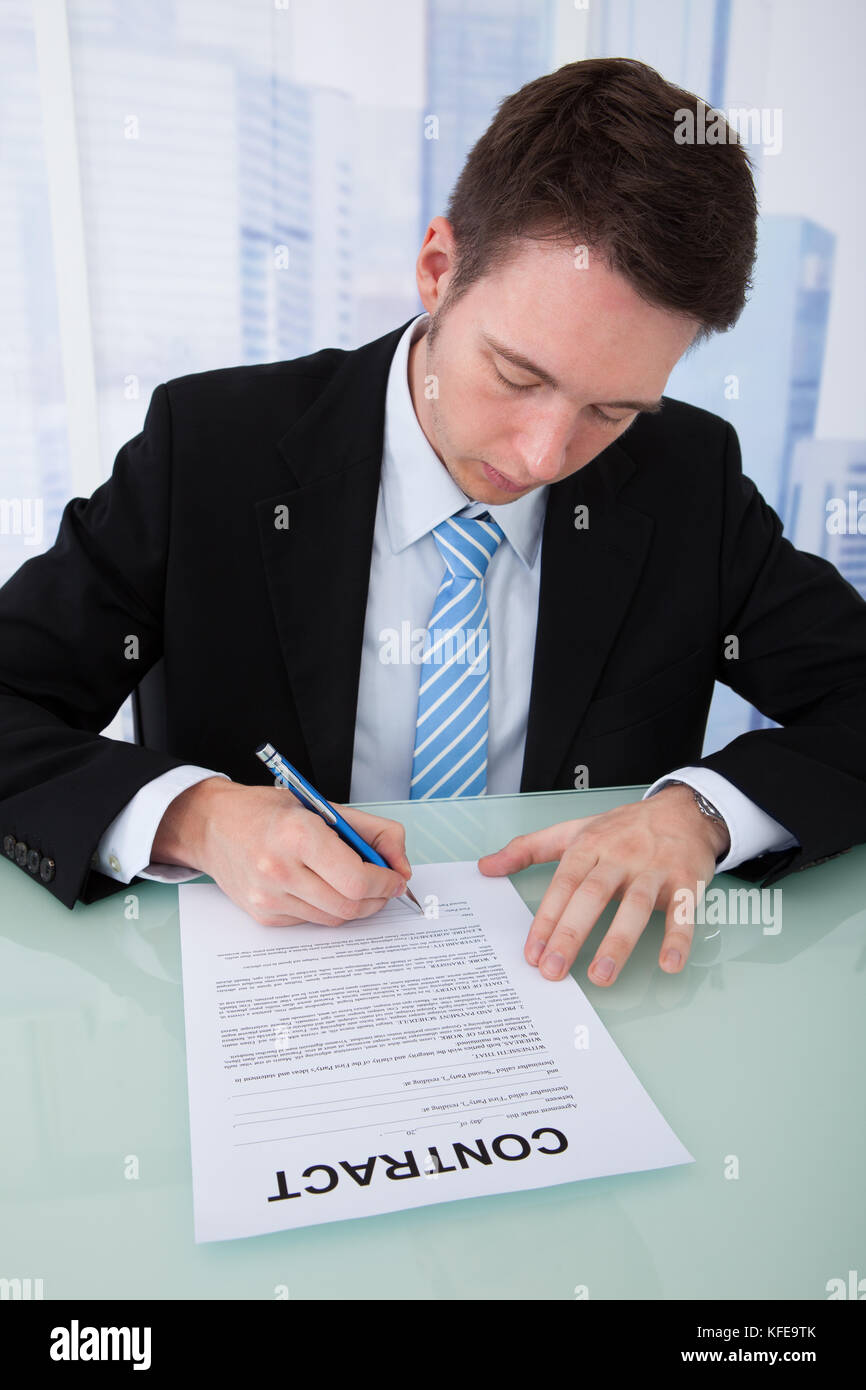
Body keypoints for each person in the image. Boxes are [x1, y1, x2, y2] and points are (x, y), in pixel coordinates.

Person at [1, 58, 864, 990]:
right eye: (518, 376)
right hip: (253, 1001)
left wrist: (696, 813)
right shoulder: (210, 450)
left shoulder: (688, 478)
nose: (542, 457)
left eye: (612, 411)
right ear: (437, 270)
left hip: (581, 1000)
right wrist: (197, 819)